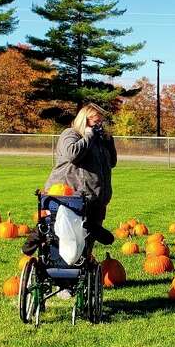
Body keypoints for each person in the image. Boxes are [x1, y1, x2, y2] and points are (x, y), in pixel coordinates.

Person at [45, 103, 117, 245]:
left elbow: (112, 162)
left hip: (96, 199)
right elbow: (73, 154)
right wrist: (89, 135)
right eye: (96, 122)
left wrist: (108, 142)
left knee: (87, 244)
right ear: (85, 120)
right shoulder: (71, 134)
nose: (100, 125)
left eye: (101, 122)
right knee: (66, 241)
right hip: (70, 198)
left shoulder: (99, 139)